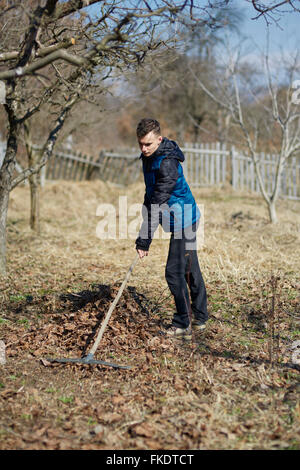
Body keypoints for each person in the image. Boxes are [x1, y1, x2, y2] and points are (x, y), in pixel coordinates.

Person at [135, 118, 208, 339]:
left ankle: (182, 322)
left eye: (148, 144)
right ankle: (200, 317)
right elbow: (151, 195)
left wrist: (144, 240)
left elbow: (157, 201)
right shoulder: (150, 157)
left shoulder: (167, 162)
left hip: (184, 219)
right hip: (179, 216)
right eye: (140, 144)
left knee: (174, 272)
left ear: (159, 139)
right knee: (188, 268)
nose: (143, 149)